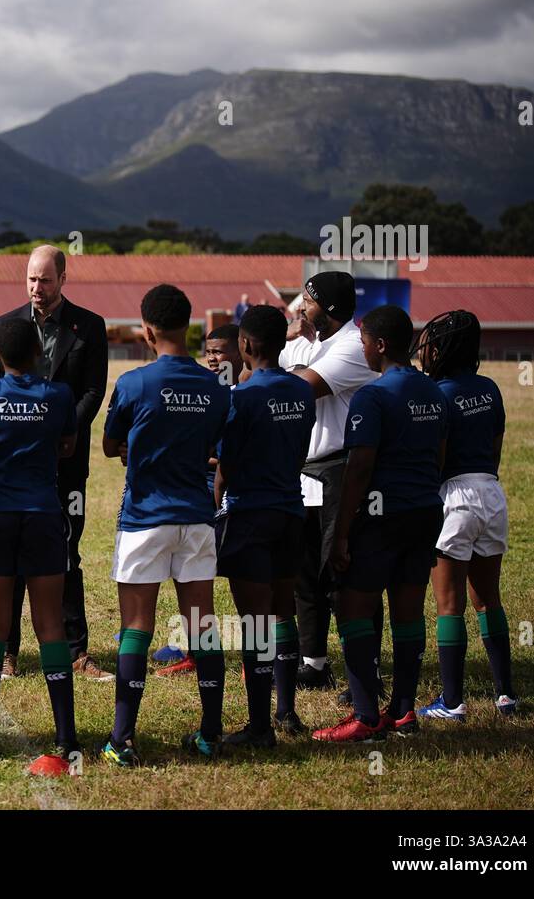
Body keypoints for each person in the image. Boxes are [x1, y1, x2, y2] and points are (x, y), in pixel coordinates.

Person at [100, 284, 230, 765]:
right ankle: (211, 734)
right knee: (203, 626)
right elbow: (216, 444)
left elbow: (112, 446)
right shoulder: (216, 386)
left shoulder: (134, 383)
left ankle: (121, 739)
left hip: (146, 518)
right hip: (196, 517)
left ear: (148, 329)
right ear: (189, 326)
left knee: (137, 628)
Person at [315, 305, 448, 742]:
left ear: (382, 344)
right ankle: (405, 713)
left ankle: (367, 717)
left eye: (365, 341)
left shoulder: (374, 395)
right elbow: (440, 456)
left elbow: (358, 467)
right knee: (408, 611)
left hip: (380, 515)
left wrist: (342, 534)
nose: (363, 349)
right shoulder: (434, 393)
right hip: (426, 511)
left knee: (355, 608)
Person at [0, 318, 79, 775]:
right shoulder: (59, 396)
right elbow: (66, 445)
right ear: (39, 353)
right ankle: (66, 736)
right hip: (44, 515)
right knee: (50, 624)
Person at [0, 245, 109, 682]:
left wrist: (62, 431)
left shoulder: (90, 327)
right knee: (12, 554)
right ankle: (6, 651)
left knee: (66, 552)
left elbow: (93, 392)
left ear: (63, 279)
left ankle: (76, 651)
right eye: (31, 280)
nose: (37, 289)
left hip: (67, 460)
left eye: (46, 280)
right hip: (17, 467)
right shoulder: (3, 326)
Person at [214, 305, 315, 744]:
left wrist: (218, 497)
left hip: (250, 515)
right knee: (283, 612)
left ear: (246, 346)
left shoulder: (242, 398)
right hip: (292, 511)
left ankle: (258, 727)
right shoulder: (303, 392)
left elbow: (227, 463)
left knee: (254, 622)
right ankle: (286, 711)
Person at [412, 310, 517, 720]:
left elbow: (435, 458)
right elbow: (495, 449)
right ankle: (505, 694)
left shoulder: (435, 393)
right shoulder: (490, 389)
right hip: (491, 491)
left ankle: (452, 701)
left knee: (448, 604)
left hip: (453, 495)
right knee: (488, 598)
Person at [280, 272, 378, 692]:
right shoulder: (317, 343)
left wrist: (264, 375)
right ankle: (314, 664)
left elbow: (301, 387)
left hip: (341, 470)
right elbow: (277, 360)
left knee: (345, 577)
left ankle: (366, 673)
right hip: (308, 471)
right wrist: (285, 338)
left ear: (330, 308)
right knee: (305, 576)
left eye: (308, 300)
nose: (302, 306)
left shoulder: (353, 346)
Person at [156, 322, 247, 675]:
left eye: (220, 351)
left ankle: (253, 657)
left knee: (241, 577)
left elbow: (233, 454)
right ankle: (192, 648)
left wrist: (196, 454)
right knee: (191, 572)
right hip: (196, 489)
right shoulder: (204, 389)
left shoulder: (244, 392)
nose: (212, 359)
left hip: (234, 494)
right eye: (208, 352)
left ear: (242, 349)